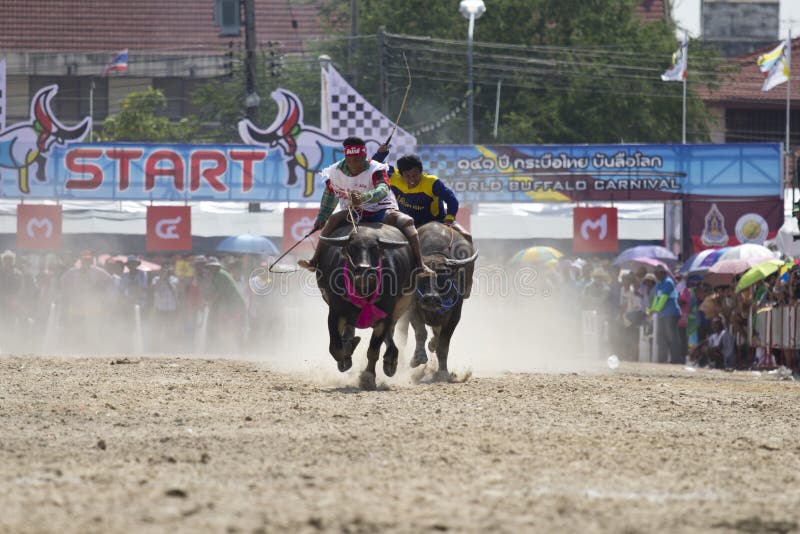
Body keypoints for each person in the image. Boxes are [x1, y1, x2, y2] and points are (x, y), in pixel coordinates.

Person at [298, 136, 434, 276]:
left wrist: (364, 197)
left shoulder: (376, 168)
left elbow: (382, 189)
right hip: (353, 213)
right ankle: (314, 261)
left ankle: (420, 265)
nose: (353, 165)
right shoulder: (334, 171)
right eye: (349, 160)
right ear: (345, 157)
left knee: (407, 221)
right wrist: (322, 217)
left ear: (364, 156)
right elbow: (330, 197)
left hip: (380, 210)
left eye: (357, 160)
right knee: (332, 220)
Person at [372, 146, 472, 243]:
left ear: (421, 171)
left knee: (467, 237)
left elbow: (451, 200)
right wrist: (381, 153)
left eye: (415, 175)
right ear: (401, 174)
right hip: (407, 224)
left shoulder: (432, 182)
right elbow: (374, 166)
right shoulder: (393, 176)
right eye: (407, 176)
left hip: (437, 222)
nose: (412, 180)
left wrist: (449, 220)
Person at [647, 265, 682, 364]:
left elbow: (663, 298)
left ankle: (676, 359)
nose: (655, 275)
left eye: (657, 273)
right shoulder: (659, 283)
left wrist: (656, 310)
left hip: (671, 313)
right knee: (662, 337)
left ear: (662, 273)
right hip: (663, 314)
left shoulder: (668, 282)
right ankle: (662, 359)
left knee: (672, 337)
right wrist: (652, 309)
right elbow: (656, 298)